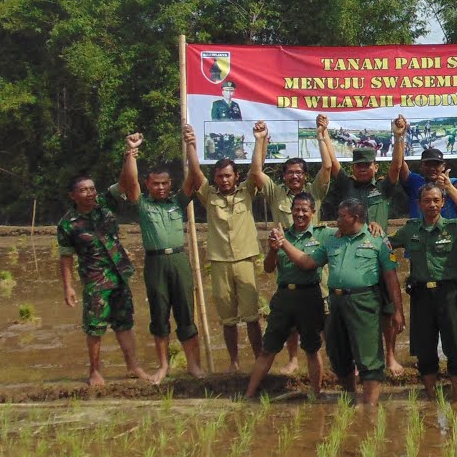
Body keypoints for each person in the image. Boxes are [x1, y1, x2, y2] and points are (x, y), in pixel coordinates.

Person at [251, 115, 341, 375]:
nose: (294, 177)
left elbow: (326, 166)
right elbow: (256, 172)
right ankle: (292, 359)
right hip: (286, 260)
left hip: (314, 257)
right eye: (290, 173)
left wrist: (321, 134)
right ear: (284, 176)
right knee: (289, 317)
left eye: (299, 172)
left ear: (305, 176)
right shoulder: (276, 193)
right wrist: (259, 141)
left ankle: (333, 360)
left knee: (324, 311)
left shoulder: (315, 193)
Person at [114, 133, 206, 382]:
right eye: (156, 184)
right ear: (148, 185)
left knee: (187, 314)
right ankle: (164, 366)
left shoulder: (178, 202)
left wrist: (191, 146)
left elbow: (196, 178)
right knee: (159, 315)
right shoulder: (143, 205)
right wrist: (131, 151)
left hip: (179, 261)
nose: (161, 188)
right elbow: (130, 182)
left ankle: (193, 365)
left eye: (165, 183)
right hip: (155, 263)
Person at [57, 172, 155, 388]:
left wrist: (130, 152)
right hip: (95, 280)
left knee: (124, 323)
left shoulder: (104, 203)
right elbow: (65, 258)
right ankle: (95, 371)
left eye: (92, 189)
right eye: (83, 190)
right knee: (95, 327)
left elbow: (126, 182)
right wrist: (68, 287)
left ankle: (133, 367)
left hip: (119, 275)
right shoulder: (67, 224)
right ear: (72, 195)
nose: (90, 193)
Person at [389, 178, 457, 400]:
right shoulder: (409, 229)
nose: (431, 204)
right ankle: (431, 396)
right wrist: (372, 229)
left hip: (449, 295)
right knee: (425, 350)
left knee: (456, 349)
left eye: (436, 200)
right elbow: (386, 243)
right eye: (427, 201)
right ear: (419, 203)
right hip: (421, 296)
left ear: (443, 203)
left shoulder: (455, 229)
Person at [182, 124, 263, 370]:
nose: (224, 180)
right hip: (219, 263)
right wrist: (191, 144)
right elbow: (195, 173)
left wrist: (259, 140)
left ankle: (260, 361)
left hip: (245, 261)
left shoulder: (247, 192)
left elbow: (256, 170)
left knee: (252, 317)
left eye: (228, 175)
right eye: (220, 176)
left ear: (236, 176)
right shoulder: (209, 196)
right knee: (228, 320)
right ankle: (234, 363)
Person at [329, 124, 407, 377]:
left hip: (383, 251)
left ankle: (391, 357)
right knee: (356, 308)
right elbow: (331, 164)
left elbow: (396, 167)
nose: (363, 169)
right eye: (359, 166)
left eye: (368, 165)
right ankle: (354, 360)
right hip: (353, 254)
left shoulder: (382, 187)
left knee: (388, 307)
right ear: (354, 168)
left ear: (375, 167)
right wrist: (323, 136)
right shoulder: (346, 186)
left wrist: (398, 136)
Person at [321, 196, 403, 406]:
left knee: (369, 357)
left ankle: (369, 407)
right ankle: (350, 397)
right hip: (336, 302)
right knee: (338, 353)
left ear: (355, 218)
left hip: (364, 300)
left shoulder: (378, 239)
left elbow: (391, 277)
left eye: (341, 216)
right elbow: (308, 262)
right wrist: (283, 245)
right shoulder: (333, 238)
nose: (337, 220)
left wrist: (397, 310)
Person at [245, 192, 328, 398]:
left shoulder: (322, 235)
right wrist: (273, 250)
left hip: (309, 296)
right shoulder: (281, 235)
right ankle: (248, 395)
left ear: (313, 212)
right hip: (284, 297)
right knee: (268, 348)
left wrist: (283, 243)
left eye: (304, 210)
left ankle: (316, 395)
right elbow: (268, 268)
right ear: (291, 212)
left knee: (312, 348)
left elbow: (308, 264)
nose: (300, 214)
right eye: (296, 210)